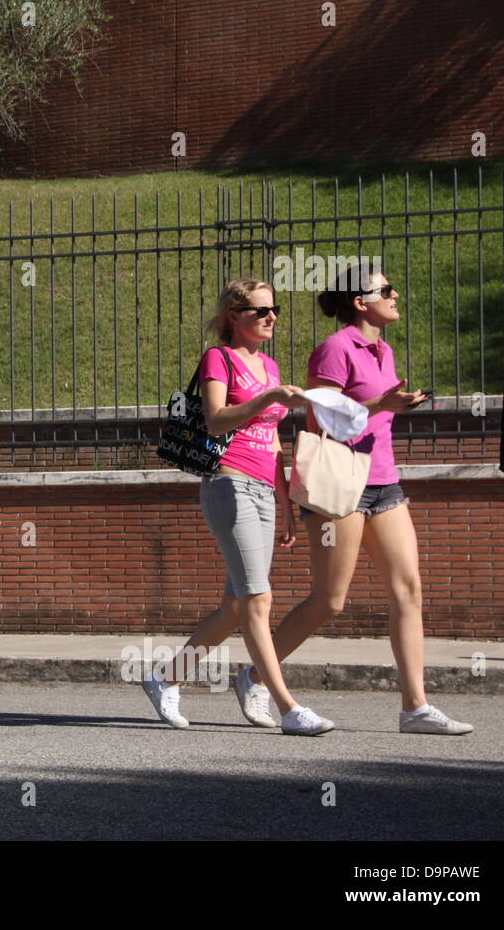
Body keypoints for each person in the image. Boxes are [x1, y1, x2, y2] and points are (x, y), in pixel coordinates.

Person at [261, 267, 474, 734]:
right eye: (386, 290)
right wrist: (382, 405)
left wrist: (394, 402)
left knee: (408, 589)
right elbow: (322, 420)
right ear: (360, 301)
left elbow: (373, 410)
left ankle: (415, 707)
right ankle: (258, 675)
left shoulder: (384, 349)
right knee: (330, 601)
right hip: (341, 487)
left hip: (384, 482)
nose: (395, 295)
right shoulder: (335, 350)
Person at [142, 279, 335, 735]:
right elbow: (214, 419)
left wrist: (287, 503)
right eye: (261, 310)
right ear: (235, 315)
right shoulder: (219, 358)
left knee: (235, 605)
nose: (272, 317)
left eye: (275, 310)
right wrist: (268, 397)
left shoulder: (268, 364)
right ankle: (287, 705)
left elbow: (274, 444)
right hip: (228, 483)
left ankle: (164, 677)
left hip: (264, 489)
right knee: (257, 597)